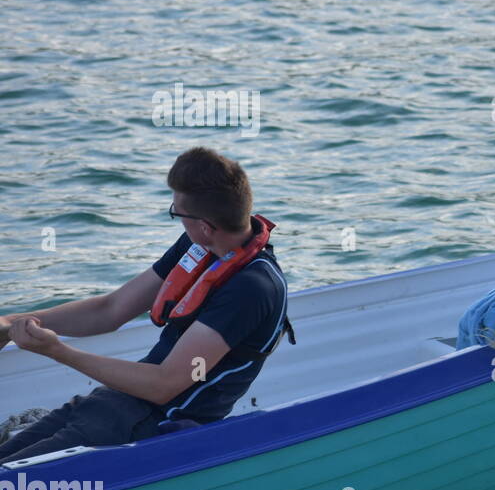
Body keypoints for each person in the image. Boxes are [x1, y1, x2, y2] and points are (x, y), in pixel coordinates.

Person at [0, 147, 293, 464]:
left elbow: (163, 385)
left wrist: (57, 351)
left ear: (206, 226)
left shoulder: (253, 288)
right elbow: (111, 310)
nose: (178, 221)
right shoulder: (199, 244)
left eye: (176, 213)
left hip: (145, 431)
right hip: (108, 404)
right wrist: (13, 321)